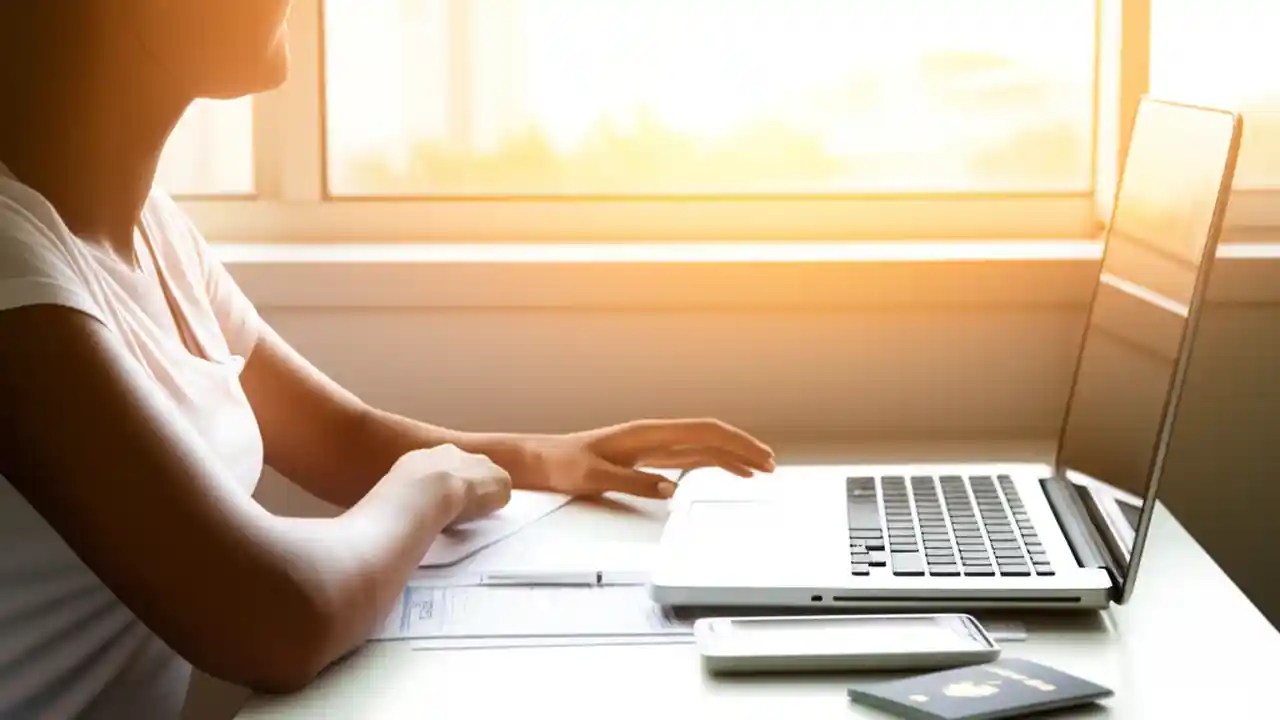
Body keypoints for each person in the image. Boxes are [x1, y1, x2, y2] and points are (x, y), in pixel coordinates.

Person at [0, 3, 775, 717]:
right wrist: (430, 484)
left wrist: (552, 458)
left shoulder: (146, 230)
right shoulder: (13, 265)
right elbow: (274, 619)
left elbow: (341, 440)